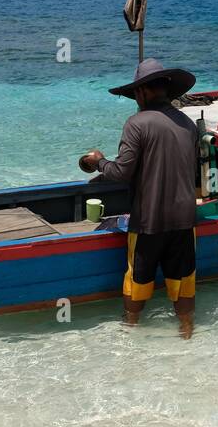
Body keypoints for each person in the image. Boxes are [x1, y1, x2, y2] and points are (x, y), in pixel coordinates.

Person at [80, 58, 199, 338]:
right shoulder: (187, 124)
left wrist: (98, 162)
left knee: (136, 280)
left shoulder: (136, 123)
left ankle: (130, 333)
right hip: (184, 220)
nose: (135, 99)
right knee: (184, 281)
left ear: (143, 92)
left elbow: (121, 172)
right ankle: (187, 332)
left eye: (135, 93)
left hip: (149, 221)